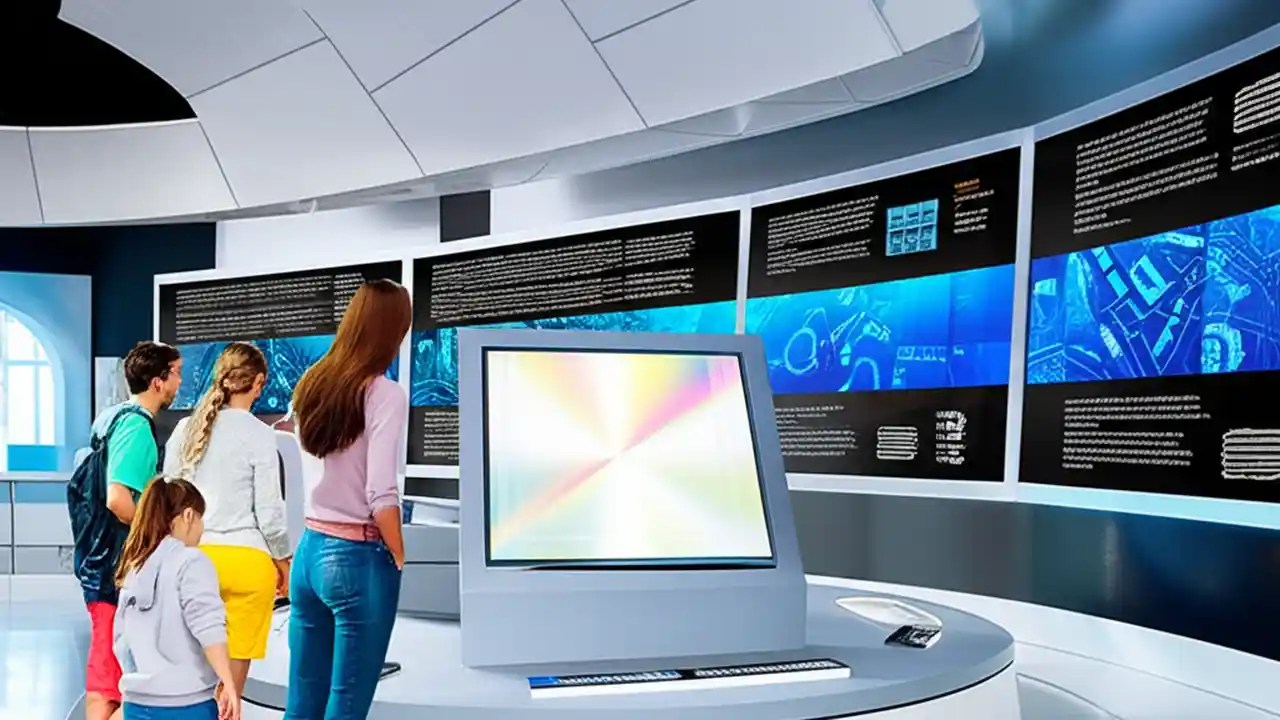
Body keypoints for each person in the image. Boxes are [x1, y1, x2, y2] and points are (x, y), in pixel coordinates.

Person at [285, 279, 411, 719]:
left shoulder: (312, 383)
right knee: (347, 703)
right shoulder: (384, 394)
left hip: (309, 552)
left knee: (302, 701)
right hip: (358, 555)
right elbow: (381, 492)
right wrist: (399, 552)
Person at [162, 342, 291, 699]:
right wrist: (283, 562)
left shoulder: (186, 430)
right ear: (259, 382)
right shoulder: (262, 435)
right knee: (230, 693)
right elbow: (270, 512)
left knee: (187, 687)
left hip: (193, 562)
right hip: (248, 564)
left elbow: (167, 500)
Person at [70, 341, 183, 720]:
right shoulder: (136, 428)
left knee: (109, 669)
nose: (180, 382)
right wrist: (151, 534)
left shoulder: (112, 417)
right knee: (108, 677)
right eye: (176, 373)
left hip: (100, 560)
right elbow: (118, 499)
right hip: (112, 567)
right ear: (157, 381)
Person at [114, 477, 240, 720]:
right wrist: (229, 682)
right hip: (187, 705)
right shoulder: (192, 561)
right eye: (202, 519)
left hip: (136, 704)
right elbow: (208, 627)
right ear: (189, 516)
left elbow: (121, 639)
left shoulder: (134, 568)